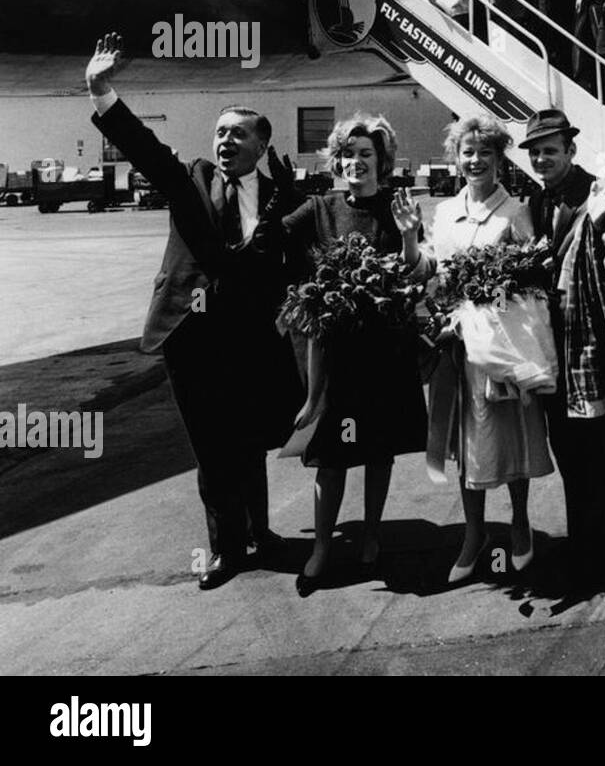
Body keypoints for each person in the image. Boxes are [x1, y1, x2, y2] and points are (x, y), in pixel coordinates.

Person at [85, 33, 302, 590]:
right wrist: (101, 89)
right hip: (191, 335)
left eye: (239, 134)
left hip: (250, 338)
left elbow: (293, 263)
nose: (226, 141)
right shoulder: (193, 180)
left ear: (262, 144)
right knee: (211, 445)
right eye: (220, 132)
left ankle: (262, 533)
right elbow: (146, 149)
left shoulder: (283, 195)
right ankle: (225, 551)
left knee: (251, 438)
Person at [271, 115, 430, 595]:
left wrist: (407, 235)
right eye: (347, 154)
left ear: (382, 160)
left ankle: (372, 535)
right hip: (336, 358)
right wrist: (282, 196)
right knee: (330, 457)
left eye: (365, 154)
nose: (355, 162)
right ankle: (321, 546)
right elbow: (270, 241)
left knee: (379, 451)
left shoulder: (398, 208)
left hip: (384, 351)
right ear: (336, 160)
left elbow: (416, 275)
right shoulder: (320, 207)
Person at [428, 115, 554, 583]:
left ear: (500, 158)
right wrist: (446, 308)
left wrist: (489, 307)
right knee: (468, 443)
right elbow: (438, 276)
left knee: (513, 434)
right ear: (455, 158)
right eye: (467, 151)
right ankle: (474, 532)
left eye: (485, 152)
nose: (475, 160)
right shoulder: (443, 213)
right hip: (459, 350)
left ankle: (520, 524)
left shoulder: (515, 211)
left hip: (504, 348)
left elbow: (532, 280)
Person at [523, 110, 605, 597]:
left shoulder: (599, 192)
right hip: (552, 342)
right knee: (567, 447)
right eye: (535, 151)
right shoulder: (533, 198)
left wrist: (602, 218)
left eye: (551, 149)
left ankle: (595, 558)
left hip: (592, 340)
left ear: (571, 150)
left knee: (594, 449)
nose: (542, 158)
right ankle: (582, 545)